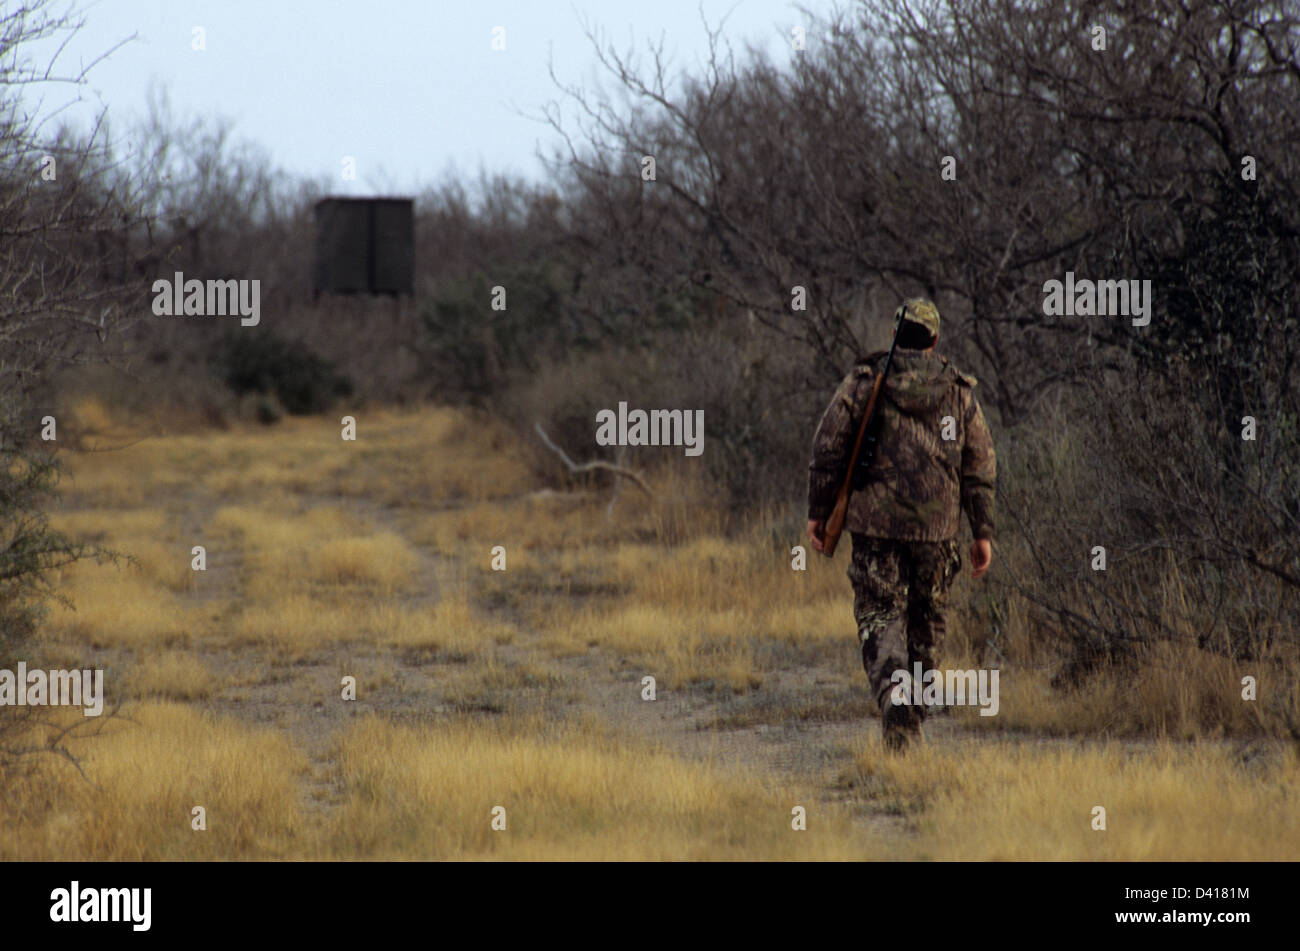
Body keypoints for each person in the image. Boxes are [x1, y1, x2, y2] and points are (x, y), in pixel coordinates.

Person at [805, 298, 996, 751]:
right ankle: (912, 720)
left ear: (894, 336)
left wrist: (819, 508)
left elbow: (827, 447)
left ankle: (895, 698)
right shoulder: (959, 391)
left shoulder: (865, 382)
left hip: (876, 528)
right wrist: (982, 532)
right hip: (939, 531)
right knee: (927, 620)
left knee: (880, 611)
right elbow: (980, 467)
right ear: (934, 340)